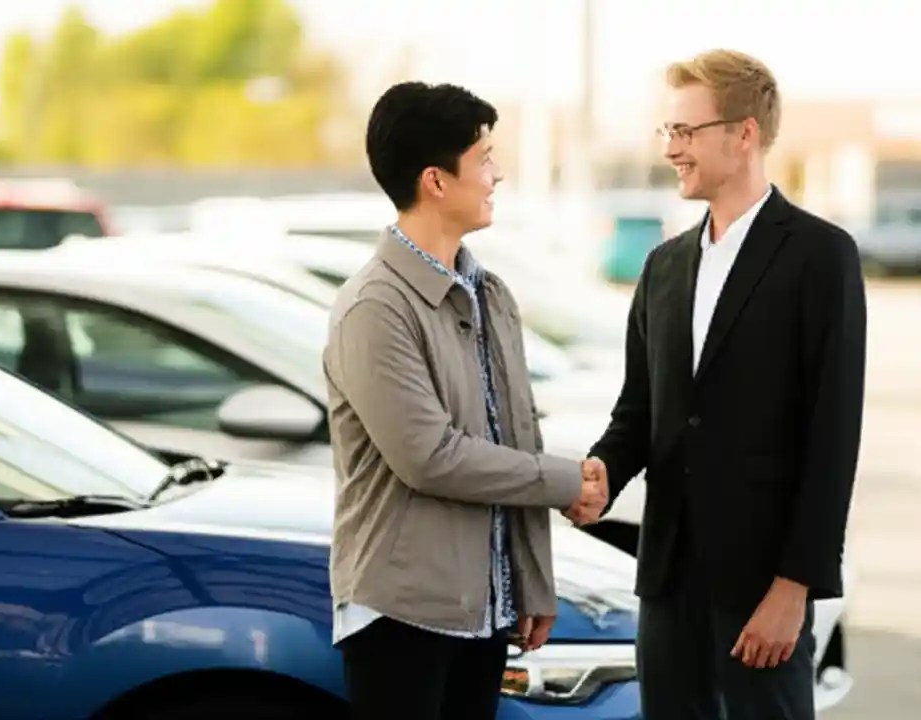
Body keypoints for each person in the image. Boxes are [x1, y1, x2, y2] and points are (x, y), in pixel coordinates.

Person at [576, 49, 867, 719]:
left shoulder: (820, 257)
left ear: (744, 134)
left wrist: (795, 587)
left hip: (763, 583)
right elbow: (641, 411)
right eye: (668, 132)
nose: (672, 149)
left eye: (687, 132)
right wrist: (601, 474)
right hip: (668, 581)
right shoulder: (664, 267)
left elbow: (833, 434)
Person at [323, 81, 608, 720]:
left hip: (484, 611)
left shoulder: (490, 293)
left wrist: (531, 580)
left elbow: (516, 440)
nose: (496, 173)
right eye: (483, 158)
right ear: (436, 181)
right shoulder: (376, 307)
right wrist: (566, 482)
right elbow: (431, 457)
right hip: (402, 614)